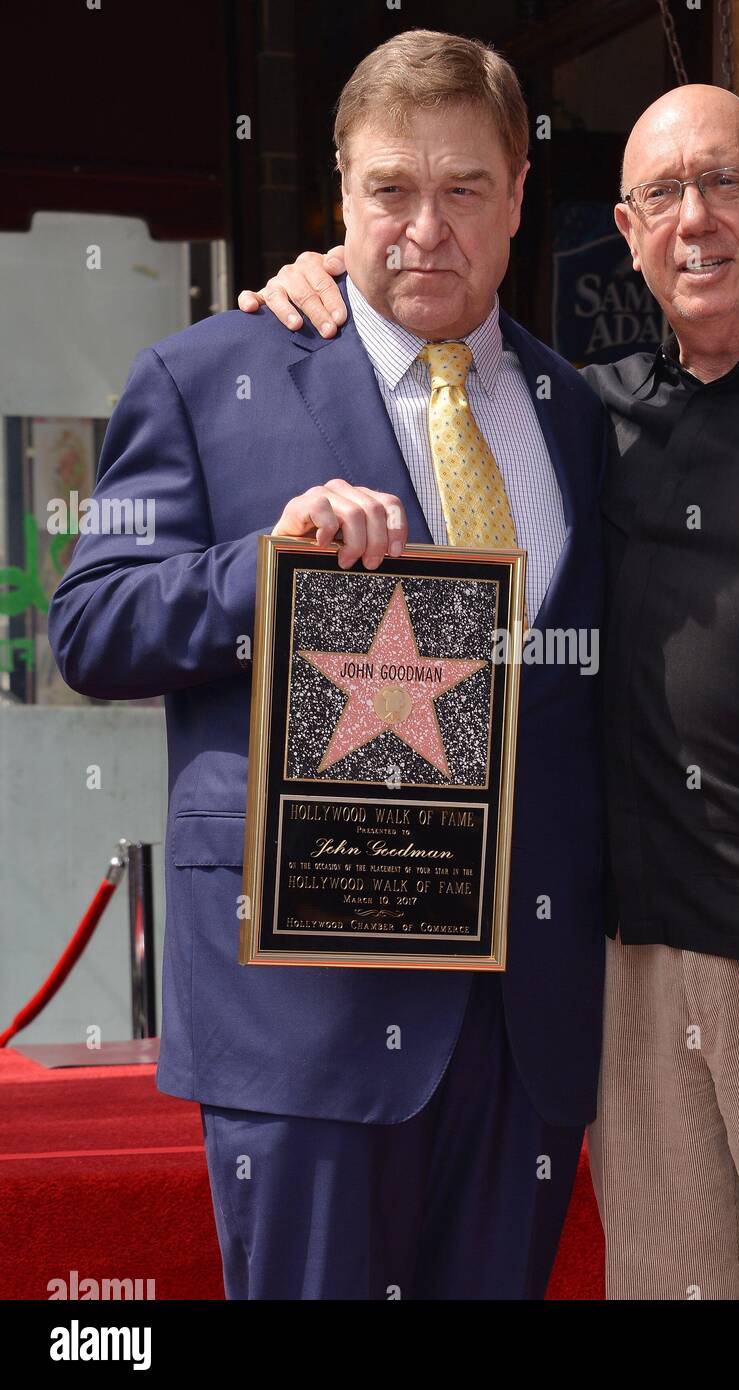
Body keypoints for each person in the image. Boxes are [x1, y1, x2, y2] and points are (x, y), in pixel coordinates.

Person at [242, 83, 739, 1300]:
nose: (693, 219)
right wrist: (325, 285)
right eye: (660, 195)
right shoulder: (594, 415)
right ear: (624, 234)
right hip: (632, 978)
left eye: (722, 182)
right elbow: (420, 346)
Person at [48, 29, 609, 1300]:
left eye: (464, 189)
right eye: (388, 192)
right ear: (339, 199)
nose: (424, 228)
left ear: (520, 193)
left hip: (523, 1030)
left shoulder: (580, 412)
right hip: (302, 1013)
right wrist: (267, 563)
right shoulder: (209, 377)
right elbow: (89, 625)